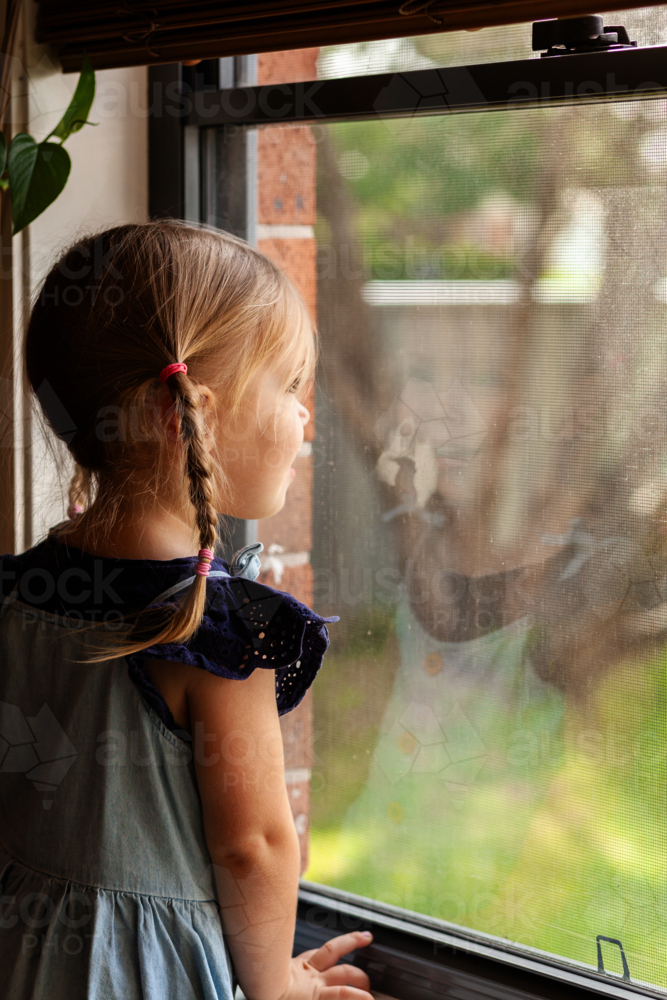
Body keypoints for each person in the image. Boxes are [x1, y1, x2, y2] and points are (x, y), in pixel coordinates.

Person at [0, 222, 374, 1000]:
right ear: (193, 412)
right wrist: (275, 984)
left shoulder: (15, 590)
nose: (304, 416)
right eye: (288, 387)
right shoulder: (213, 629)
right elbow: (253, 847)